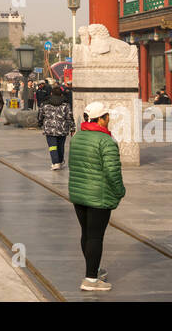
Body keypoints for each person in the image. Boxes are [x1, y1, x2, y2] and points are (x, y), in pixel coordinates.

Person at [67, 101, 125, 292]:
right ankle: (91, 279)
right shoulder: (106, 141)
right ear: (100, 119)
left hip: (79, 194)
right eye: (107, 116)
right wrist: (120, 191)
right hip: (99, 197)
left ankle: (94, 269)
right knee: (95, 237)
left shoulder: (77, 138)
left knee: (86, 233)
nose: (109, 119)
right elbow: (112, 172)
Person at [36, 83, 75, 170]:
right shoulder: (66, 104)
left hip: (49, 129)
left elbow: (40, 115)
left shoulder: (45, 103)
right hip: (62, 129)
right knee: (60, 146)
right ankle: (60, 161)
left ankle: (55, 162)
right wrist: (72, 128)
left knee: (52, 146)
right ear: (61, 94)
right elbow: (69, 117)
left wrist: (39, 122)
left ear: (51, 94)